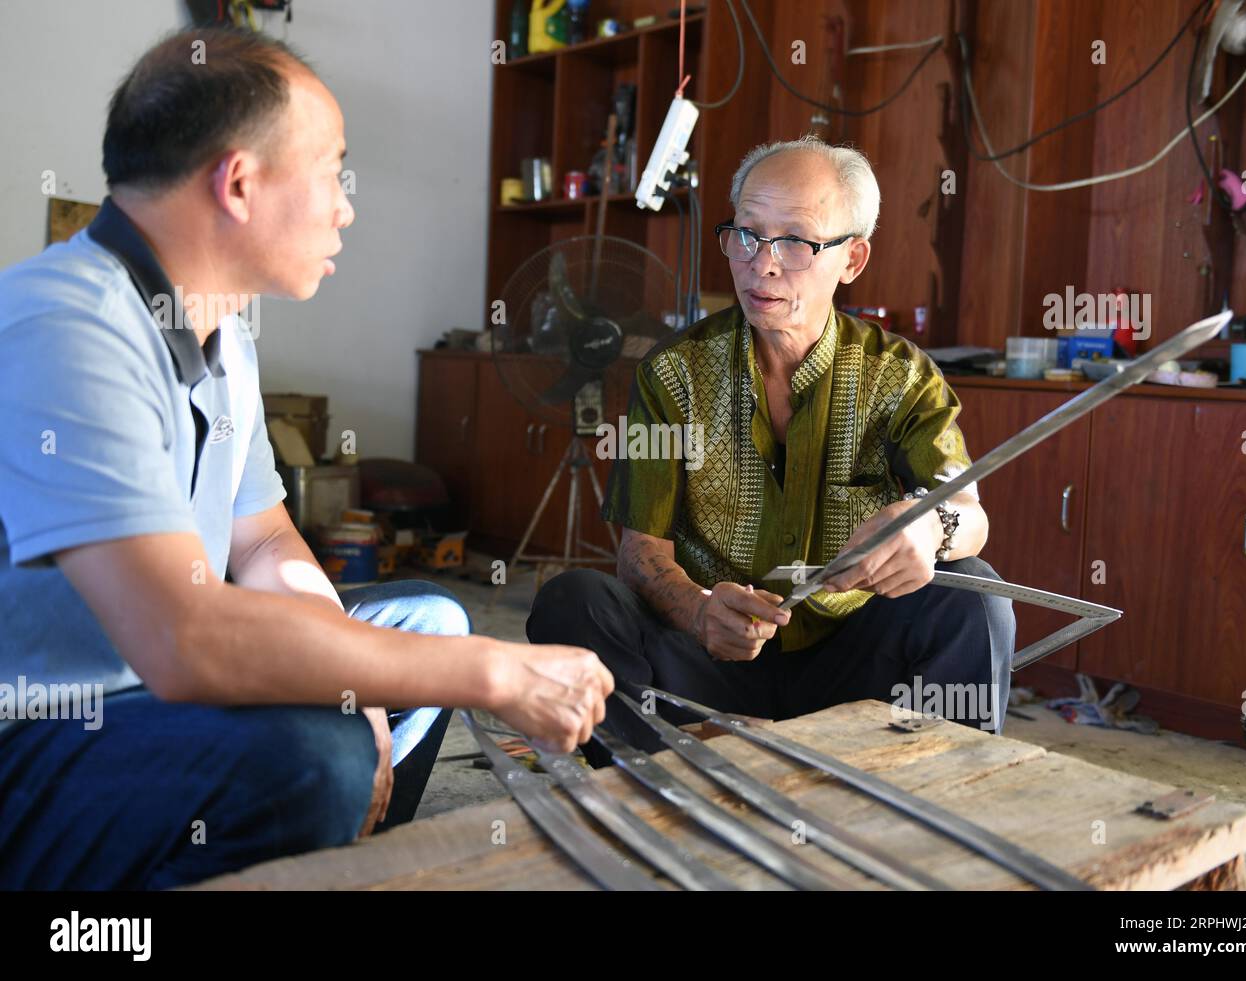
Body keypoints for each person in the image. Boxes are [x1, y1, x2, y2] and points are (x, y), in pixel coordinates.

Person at [0, 27, 611, 890]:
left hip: (166, 676)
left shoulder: (224, 336)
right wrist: (494, 673)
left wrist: (351, 677)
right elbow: (185, 637)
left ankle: (317, 861)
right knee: (320, 750)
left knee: (432, 624)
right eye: (332, 171)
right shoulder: (68, 327)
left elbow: (259, 545)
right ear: (240, 182)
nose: (345, 206)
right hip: (46, 724)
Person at [528, 136, 1014, 766]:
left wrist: (932, 528)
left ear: (853, 258)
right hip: (711, 665)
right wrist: (700, 612)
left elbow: (971, 514)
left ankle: (934, 807)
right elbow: (640, 554)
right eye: (747, 235)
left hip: (852, 666)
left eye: (797, 241)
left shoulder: (900, 377)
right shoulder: (673, 373)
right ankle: (658, 793)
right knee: (574, 604)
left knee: (973, 593)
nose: (763, 264)